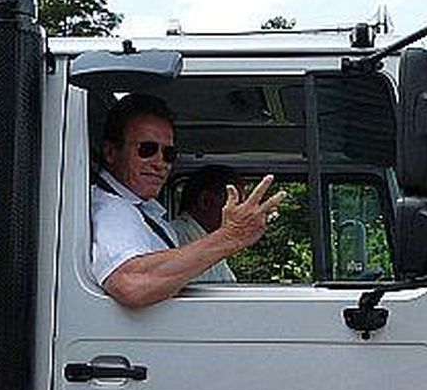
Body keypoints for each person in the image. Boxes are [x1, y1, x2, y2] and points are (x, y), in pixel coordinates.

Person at [90, 94, 285, 308]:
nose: (160, 163)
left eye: (169, 154)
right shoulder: (112, 209)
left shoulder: (141, 210)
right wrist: (230, 237)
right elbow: (130, 283)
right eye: (147, 149)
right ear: (110, 152)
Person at [171, 165, 241, 283]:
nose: (240, 210)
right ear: (206, 201)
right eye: (235, 202)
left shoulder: (208, 239)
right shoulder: (177, 237)